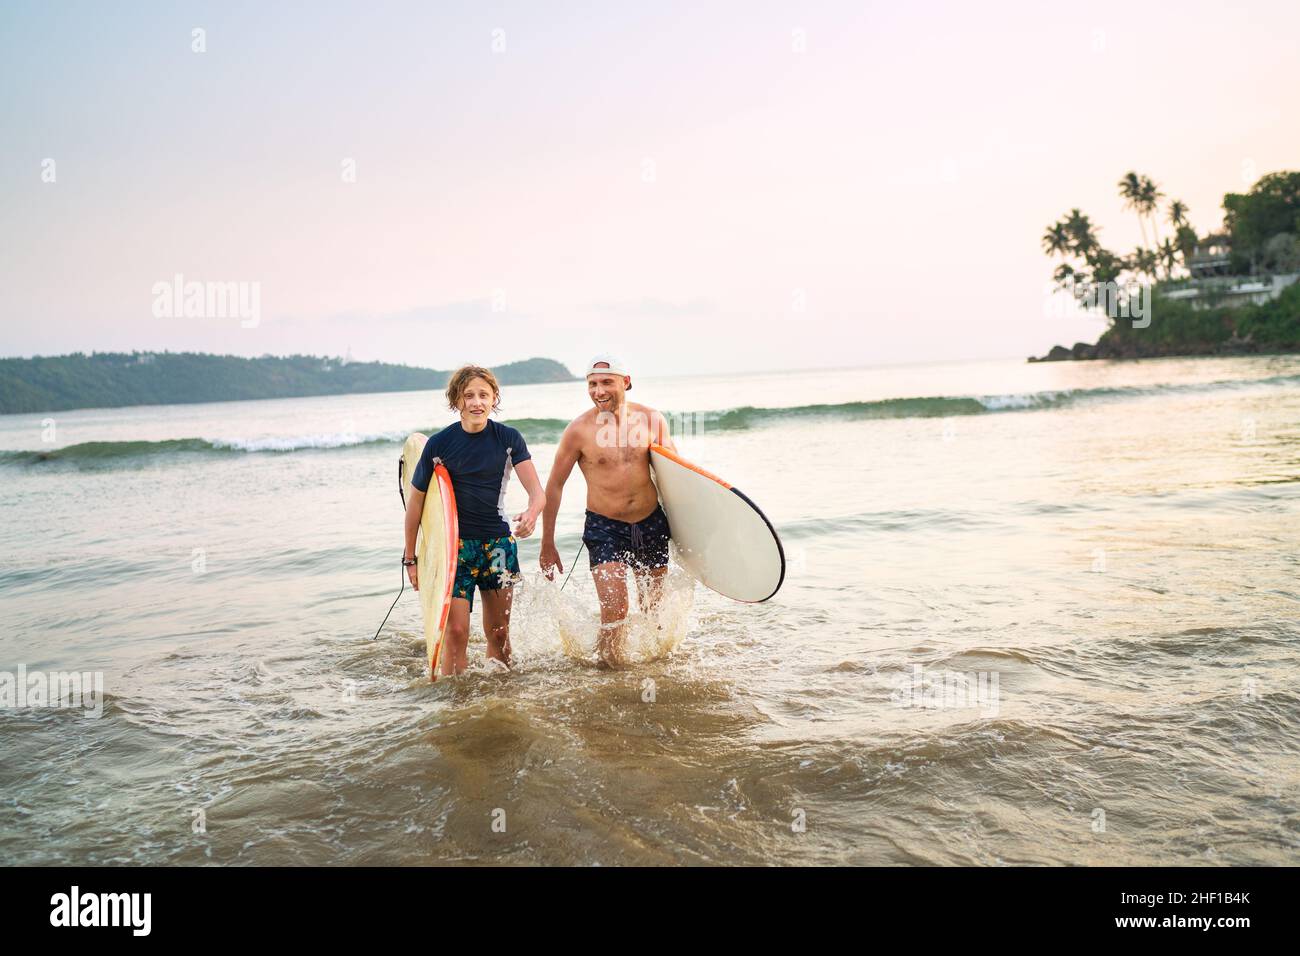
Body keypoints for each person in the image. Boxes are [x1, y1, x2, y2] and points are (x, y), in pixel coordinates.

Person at [404, 365, 545, 675]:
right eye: (468, 395)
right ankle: (457, 704)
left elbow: (537, 493)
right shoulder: (439, 445)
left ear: (494, 398)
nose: (477, 402)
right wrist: (410, 558)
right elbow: (415, 503)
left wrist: (532, 514)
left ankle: (499, 699)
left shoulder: (508, 438)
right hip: (456, 550)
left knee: (498, 631)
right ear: (457, 400)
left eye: (484, 395)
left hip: (498, 547)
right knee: (455, 633)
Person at [539, 354, 675, 667]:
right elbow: (555, 486)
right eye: (592, 384)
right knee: (615, 610)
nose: (599, 390)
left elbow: (675, 473)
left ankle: (657, 669)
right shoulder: (578, 431)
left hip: (650, 523)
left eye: (606, 382)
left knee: (652, 609)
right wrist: (547, 543)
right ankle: (609, 671)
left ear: (625, 382)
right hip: (605, 527)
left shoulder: (653, 420)